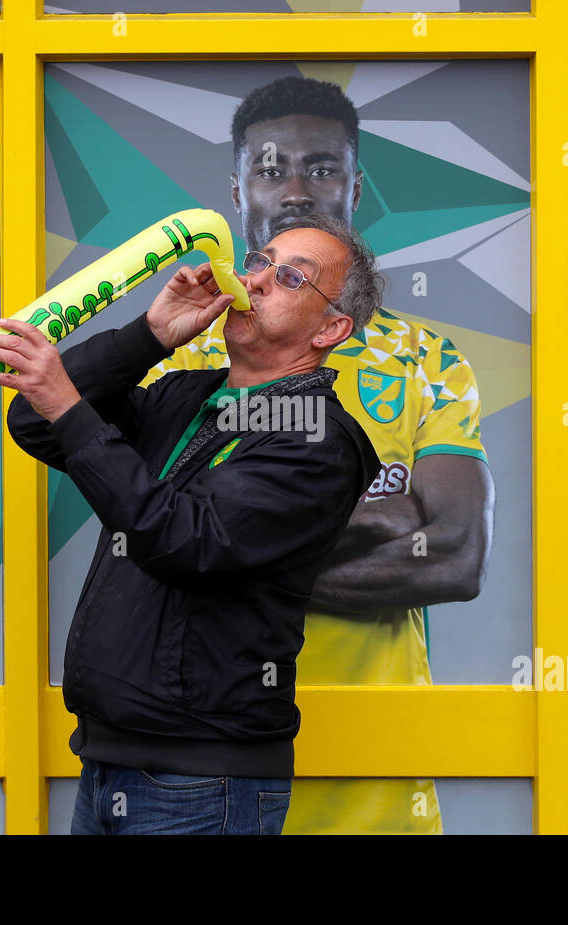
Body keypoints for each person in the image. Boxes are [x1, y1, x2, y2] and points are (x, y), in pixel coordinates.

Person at [142, 76, 494, 834]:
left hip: (380, 788)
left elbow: (455, 556)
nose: (297, 190)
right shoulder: (179, 364)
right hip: (211, 777)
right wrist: (372, 519)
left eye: (322, 168)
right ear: (236, 192)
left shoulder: (426, 358)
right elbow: (169, 552)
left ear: (355, 185)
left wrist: (255, 550)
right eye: (271, 170)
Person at [0, 215, 381, 834]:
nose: (259, 282)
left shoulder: (317, 439)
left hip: (202, 783)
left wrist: (64, 400)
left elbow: (183, 540)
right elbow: (37, 425)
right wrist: (149, 335)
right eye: (259, 262)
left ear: (331, 328)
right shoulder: (187, 394)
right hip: (110, 764)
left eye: (292, 277)